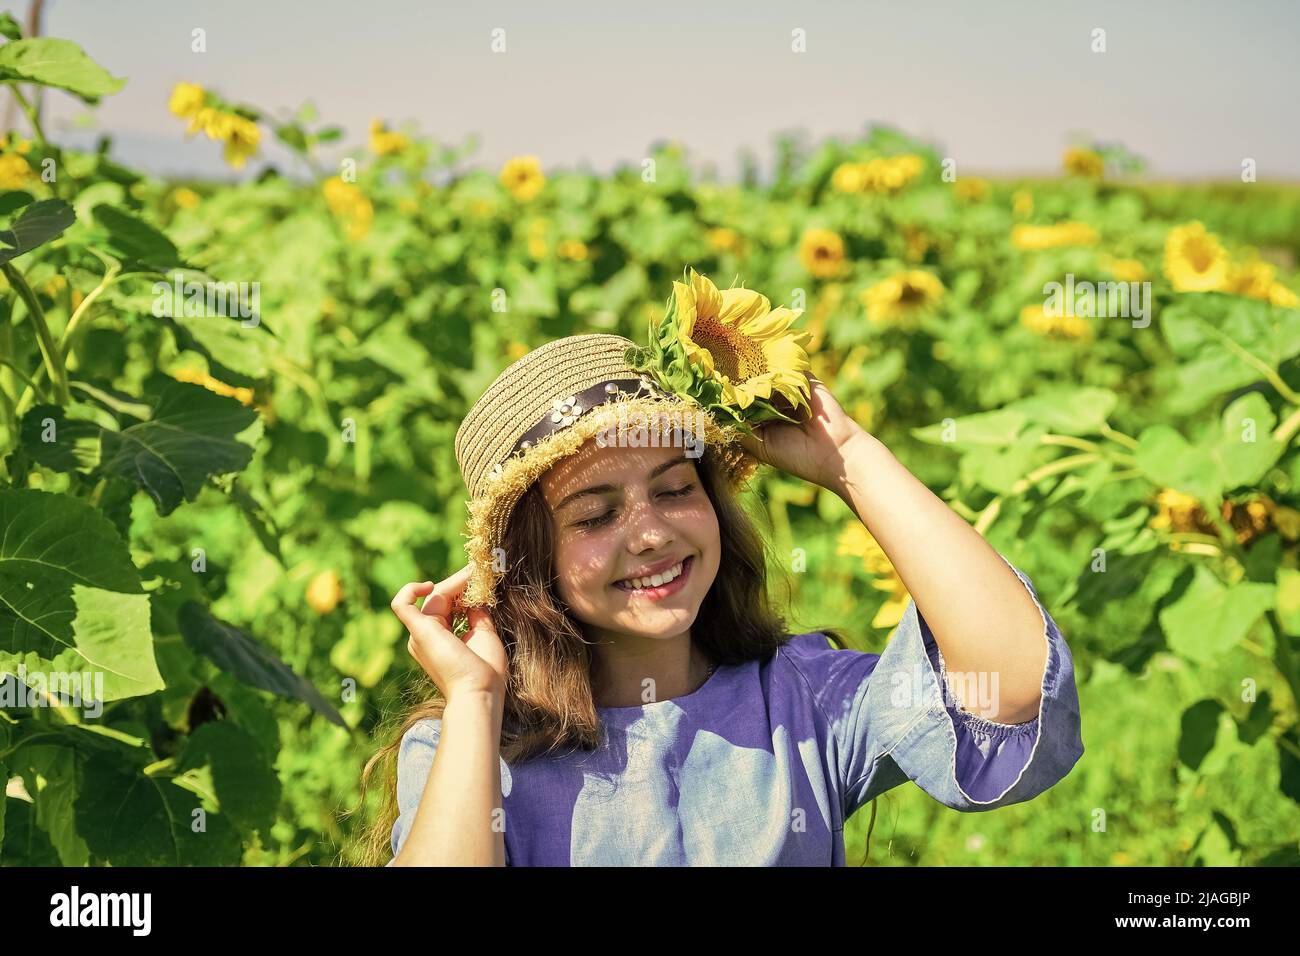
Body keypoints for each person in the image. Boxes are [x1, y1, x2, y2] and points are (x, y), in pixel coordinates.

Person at [363, 277, 1084, 866]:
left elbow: (1014, 688)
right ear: (528, 561)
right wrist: (475, 697)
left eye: (676, 489)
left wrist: (849, 458)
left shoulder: (799, 700)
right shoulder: (474, 746)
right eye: (595, 516)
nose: (651, 534)